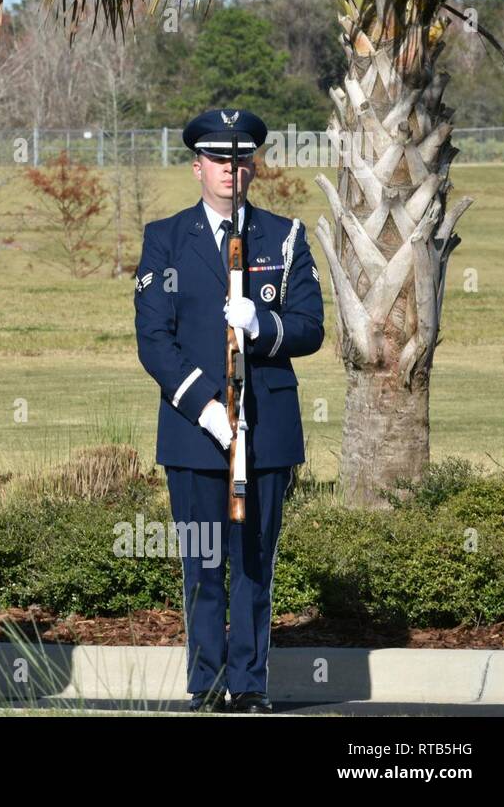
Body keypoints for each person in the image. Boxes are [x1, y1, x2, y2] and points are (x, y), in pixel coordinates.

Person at [133, 108, 324, 713]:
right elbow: (153, 338)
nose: (229, 170)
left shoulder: (284, 236)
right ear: (197, 168)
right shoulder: (164, 239)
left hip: (267, 424)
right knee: (203, 563)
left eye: (240, 160)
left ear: (253, 167)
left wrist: (262, 326)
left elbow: (309, 327)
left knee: (254, 564)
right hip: (194, 431)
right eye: (218, 160)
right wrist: (205, 406)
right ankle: (207, 683)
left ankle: (248, 685)